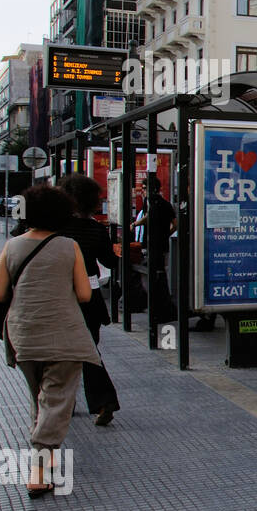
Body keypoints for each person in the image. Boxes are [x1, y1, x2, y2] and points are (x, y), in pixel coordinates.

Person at [0, 185, 102, 497]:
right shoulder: (69, 246)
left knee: (40, 399)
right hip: (64, 334)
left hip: (23, 334)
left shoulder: (12, 247)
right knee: (56, 401)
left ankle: (47, 460)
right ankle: (38, 471)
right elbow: (84, 294)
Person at [58, 174, 121, 426]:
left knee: (61, 351)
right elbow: (109, 262)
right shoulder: (95, 229)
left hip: (61, 296)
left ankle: (65, 402)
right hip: (91, 298)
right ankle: (103, 400)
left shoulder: (56, 228)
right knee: (89, 349)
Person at [129, 173, 176, 324]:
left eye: (143, 188)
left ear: (150, 189)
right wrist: (165, 234)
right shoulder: (165, 204)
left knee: (152, 275)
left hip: (153, 246)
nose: (142, 191)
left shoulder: (152, 203)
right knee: (159, 275)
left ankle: (159, 307)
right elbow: (175, 224)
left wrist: (135, 224)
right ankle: (161, 306)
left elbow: (148, 217)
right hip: (160, 245)